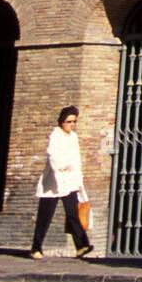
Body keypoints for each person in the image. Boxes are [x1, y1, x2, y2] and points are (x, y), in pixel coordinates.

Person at [29, 106, 92, 260]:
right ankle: (35, 248)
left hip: (69, 181)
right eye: (69, 121)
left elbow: (76, 160)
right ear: (62, 121)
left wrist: (78, 178)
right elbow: (53, 158)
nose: (72, 124)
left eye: (74, 121)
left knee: (73, 213)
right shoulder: (55, 135)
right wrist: (65, 165)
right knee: (45, 216)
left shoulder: (74, 137)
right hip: (54, 183)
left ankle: (82, 246)